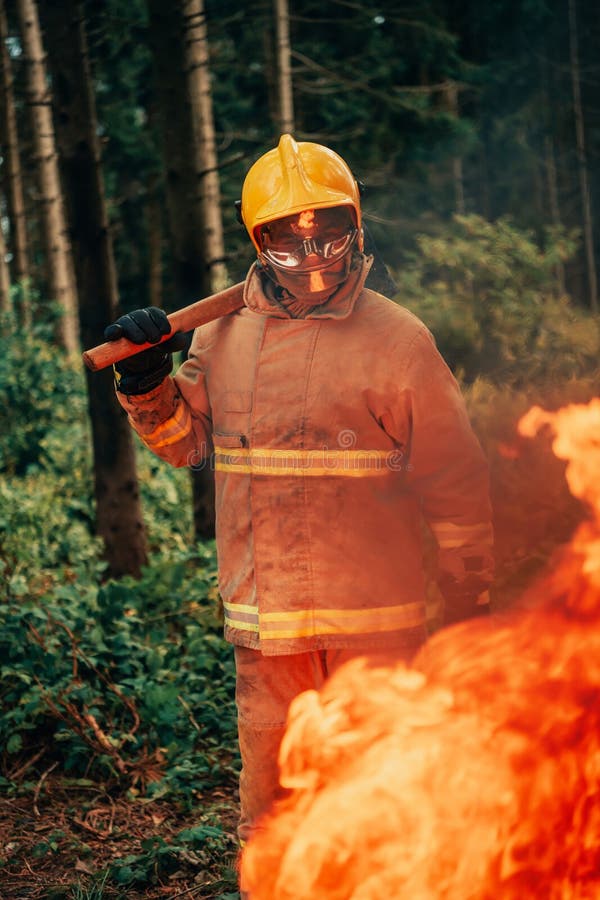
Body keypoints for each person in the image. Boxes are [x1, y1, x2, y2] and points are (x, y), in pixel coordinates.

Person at [106, 134, 494, 863]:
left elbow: (455, 476)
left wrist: (469, 587)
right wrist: (147, 384)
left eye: (329, 237)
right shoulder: (219, 336)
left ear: (356, 228)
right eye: (289, 243)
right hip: (269, 633)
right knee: (275, 814)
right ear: (260, 243)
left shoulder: (399, 341)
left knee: (382, 809)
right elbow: (185, 444)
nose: (313, 259)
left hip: (378, 634)